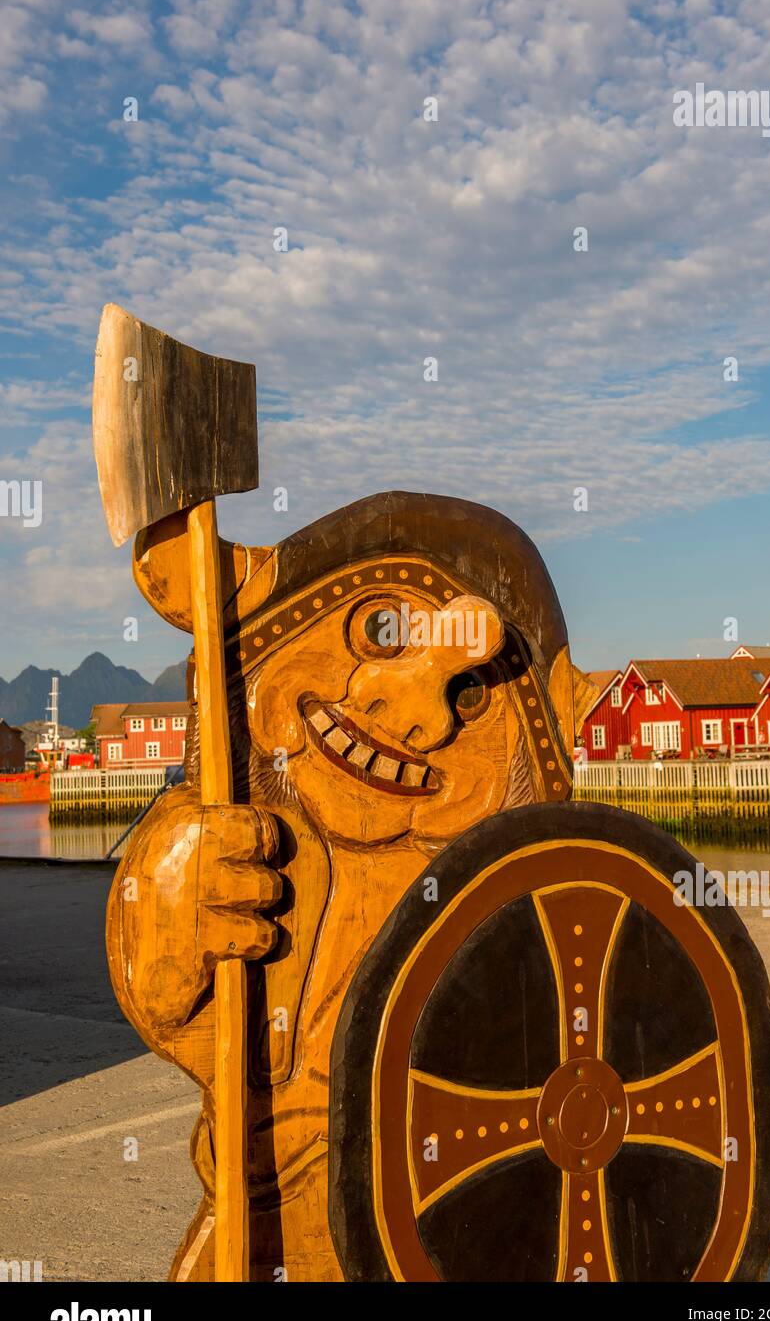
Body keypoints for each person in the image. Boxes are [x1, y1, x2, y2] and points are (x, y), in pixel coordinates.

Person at [108, 491, 595, 1280]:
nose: (413, 714)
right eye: (381, 629)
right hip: (268, 1210)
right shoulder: (251, 838)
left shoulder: (487, 908)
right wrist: (171, 906)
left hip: (443, 1214)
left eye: (468, 694)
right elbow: (171, 1001)